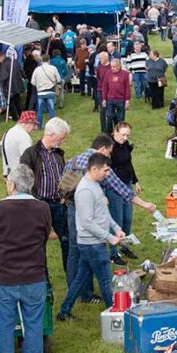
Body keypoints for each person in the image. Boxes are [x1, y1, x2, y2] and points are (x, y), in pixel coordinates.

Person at [0, 164, 51, 353]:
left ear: (11, 184)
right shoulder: (42, 208)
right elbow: (44, 237)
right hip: (34, 276)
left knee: (4, 327)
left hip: (5, 277)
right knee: (34, 325)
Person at [63, 135, 156, 297]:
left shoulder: (73, 160)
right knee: (92, 251)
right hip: (91, 212)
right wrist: (145, 204)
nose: (109, 158)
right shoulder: (100, 166)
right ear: (102, 149)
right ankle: (88, 294)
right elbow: (123, 190)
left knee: (74, 251)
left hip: (72, 209)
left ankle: (74, 291)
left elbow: (63, 185)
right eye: (109, 153)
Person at [57, 153, 123, 319]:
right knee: (106, 281)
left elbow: (103, 212)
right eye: (105, 171)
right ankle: (115, 316)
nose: (107, 174)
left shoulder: (95, 185)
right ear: (94, 169)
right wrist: (110, 237)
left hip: (95, 242)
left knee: (80, 278)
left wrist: (116, 228)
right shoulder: (85, 190)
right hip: (92, 244)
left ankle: (64, 311)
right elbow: (87, 222)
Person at [20, 117, 70, 273]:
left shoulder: (58, 154)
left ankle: (71, 277)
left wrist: (65, 194)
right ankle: (42, 280)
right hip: (39, 205)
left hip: (59, 205)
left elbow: (63, 176)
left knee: (67, 240)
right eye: (62, 137)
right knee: (38, 244)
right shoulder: (30, 154)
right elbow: (23, 182)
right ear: (52, 134)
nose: (63, 141)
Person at [108, 122, 140, 254]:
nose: (125, 138)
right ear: (115, 132)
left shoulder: (125, 145)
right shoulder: (109, 147)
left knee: (128, 218)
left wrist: (135, 181)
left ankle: (125, 247)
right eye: (123, 135)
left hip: (127, 183)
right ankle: (114, 252)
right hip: (114, 186)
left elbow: (129, 163)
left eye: (127, 135)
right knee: (117, 219)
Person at [0, 111, 38, 178]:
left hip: (9, 174)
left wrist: (5, 172)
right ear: (27, 123)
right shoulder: (24, 136)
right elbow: (28, 159)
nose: (35, 128)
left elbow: (4, 155)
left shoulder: (7, 133)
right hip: (21, 176)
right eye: (34, 124)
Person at [31, 54, 61, 129]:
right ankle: (53, 126)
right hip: (50, 91)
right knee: (51, 109)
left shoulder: (37, 69)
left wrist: (38, 85)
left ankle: (39, 125)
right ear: (49, 60)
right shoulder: (53, 68)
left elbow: (32, 82)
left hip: (40, 92)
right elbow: (59, 79)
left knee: (40, 110)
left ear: (42, 60)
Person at [102, 59, 131, 133]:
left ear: (119, 66)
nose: (112, 68)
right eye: (111, 67)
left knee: (120, 118)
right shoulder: (108, 73)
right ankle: (109, 133)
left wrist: (127, 100)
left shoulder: (125, 74)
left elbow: (127, 87)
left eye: (114, 67)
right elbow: (105, 86)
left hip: (121, 100)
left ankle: (120, 132)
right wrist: (104, 98)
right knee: (109, 116)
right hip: (110, 99)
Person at [0, 52, 25, 121]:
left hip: (9, 87)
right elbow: (21, 72)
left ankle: (15, 117)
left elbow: (4, 77)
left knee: (11, 102)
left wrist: (2, 85)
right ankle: (21, 115)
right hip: (17, 85)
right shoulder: (14, 61)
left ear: (1, 57)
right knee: (18, 101)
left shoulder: (4, 65)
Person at [96, 52, 111, 132]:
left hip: (110, 91)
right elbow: (98, 77)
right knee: (102, 111)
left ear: (106, 58)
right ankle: (103, 129)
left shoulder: (111, 67)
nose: (99, 60)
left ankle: (110, 128)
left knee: (110, 111)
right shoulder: (99, 67)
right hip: (100, 90)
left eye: (101, 58)